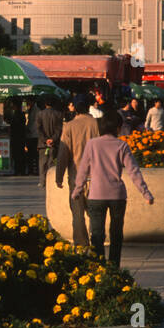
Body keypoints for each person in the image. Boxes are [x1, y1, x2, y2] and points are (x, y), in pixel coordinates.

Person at [74, 111, 154, 267]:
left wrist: (77, 190)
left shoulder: (92, 144)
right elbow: (133, 171)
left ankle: (98, 267)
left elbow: (83, 169)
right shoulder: (122, 145)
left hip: (96, 195)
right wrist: (146, 193)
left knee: (97, 234)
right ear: (118, 127)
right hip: (117, 196)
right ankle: (114, 267)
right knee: (116, 233)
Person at [55, 96, 99, 247]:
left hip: (76, 177)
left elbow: (63, 153)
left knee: (77, 214)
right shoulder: (96, 124)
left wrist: (59, 176)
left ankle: (81, 245)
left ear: (74, 107)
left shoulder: (69, 126)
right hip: (96, 177)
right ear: (88, 107)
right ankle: (96, 243)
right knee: (95, 214)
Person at [34, 95, 64, 187]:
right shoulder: (58, 114)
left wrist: (45, 140)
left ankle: (43, 182)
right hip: (54, 144)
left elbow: (38, 129)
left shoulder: (40, 114)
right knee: (52, 163)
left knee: (42, 163)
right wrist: (52, 139)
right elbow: (59, 129)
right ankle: (51, 181)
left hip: (43, 144)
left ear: (45, 104)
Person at [8, 99, 27, 175]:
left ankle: (18, 170)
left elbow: (16, 125)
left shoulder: (18, 114)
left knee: (17, 154)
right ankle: (20, 170)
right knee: (19, 154)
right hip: (20, 137)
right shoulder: (20, 113)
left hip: (17, 137)